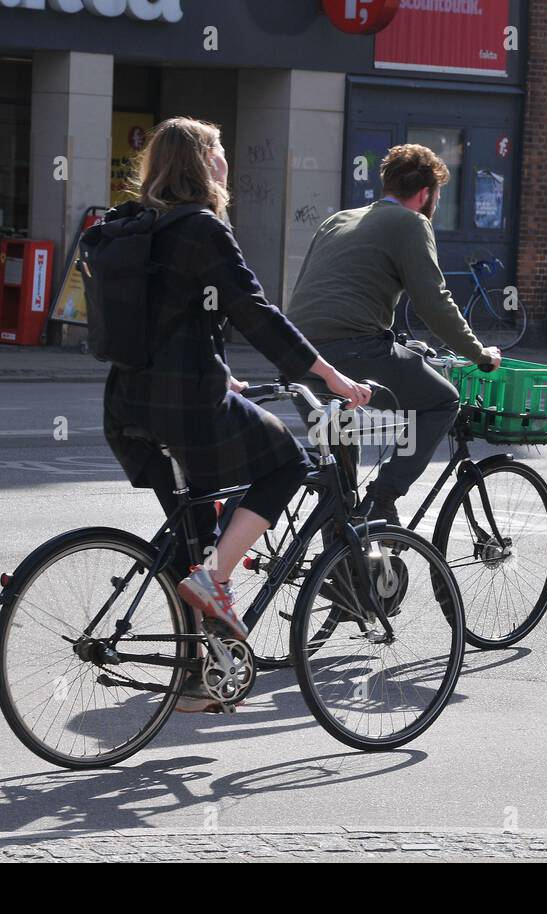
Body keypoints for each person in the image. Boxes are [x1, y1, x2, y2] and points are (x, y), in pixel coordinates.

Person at [101, 117, 370, 710]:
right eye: (220, 152)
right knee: (288, 463)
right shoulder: (201, 228)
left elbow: (164, 318)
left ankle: (198, 674)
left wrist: (217, 368)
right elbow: (257, 314)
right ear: (202, 163)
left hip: (128, 407)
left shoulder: (135, 224)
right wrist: (330, 377)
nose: (228, 163)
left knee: (192, 532)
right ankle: (214, 579)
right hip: (185, 408)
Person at [287, 144, 502, 525]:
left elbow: (320, 294)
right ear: (425, 194)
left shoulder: (337, 220)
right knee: (441, 402)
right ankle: (384, 497)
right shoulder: (412, 222)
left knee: (340, 480)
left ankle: (344, 576)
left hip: (299, 356)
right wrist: (478, 354)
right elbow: (434, 304)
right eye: (436, 195)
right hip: (354, 351)